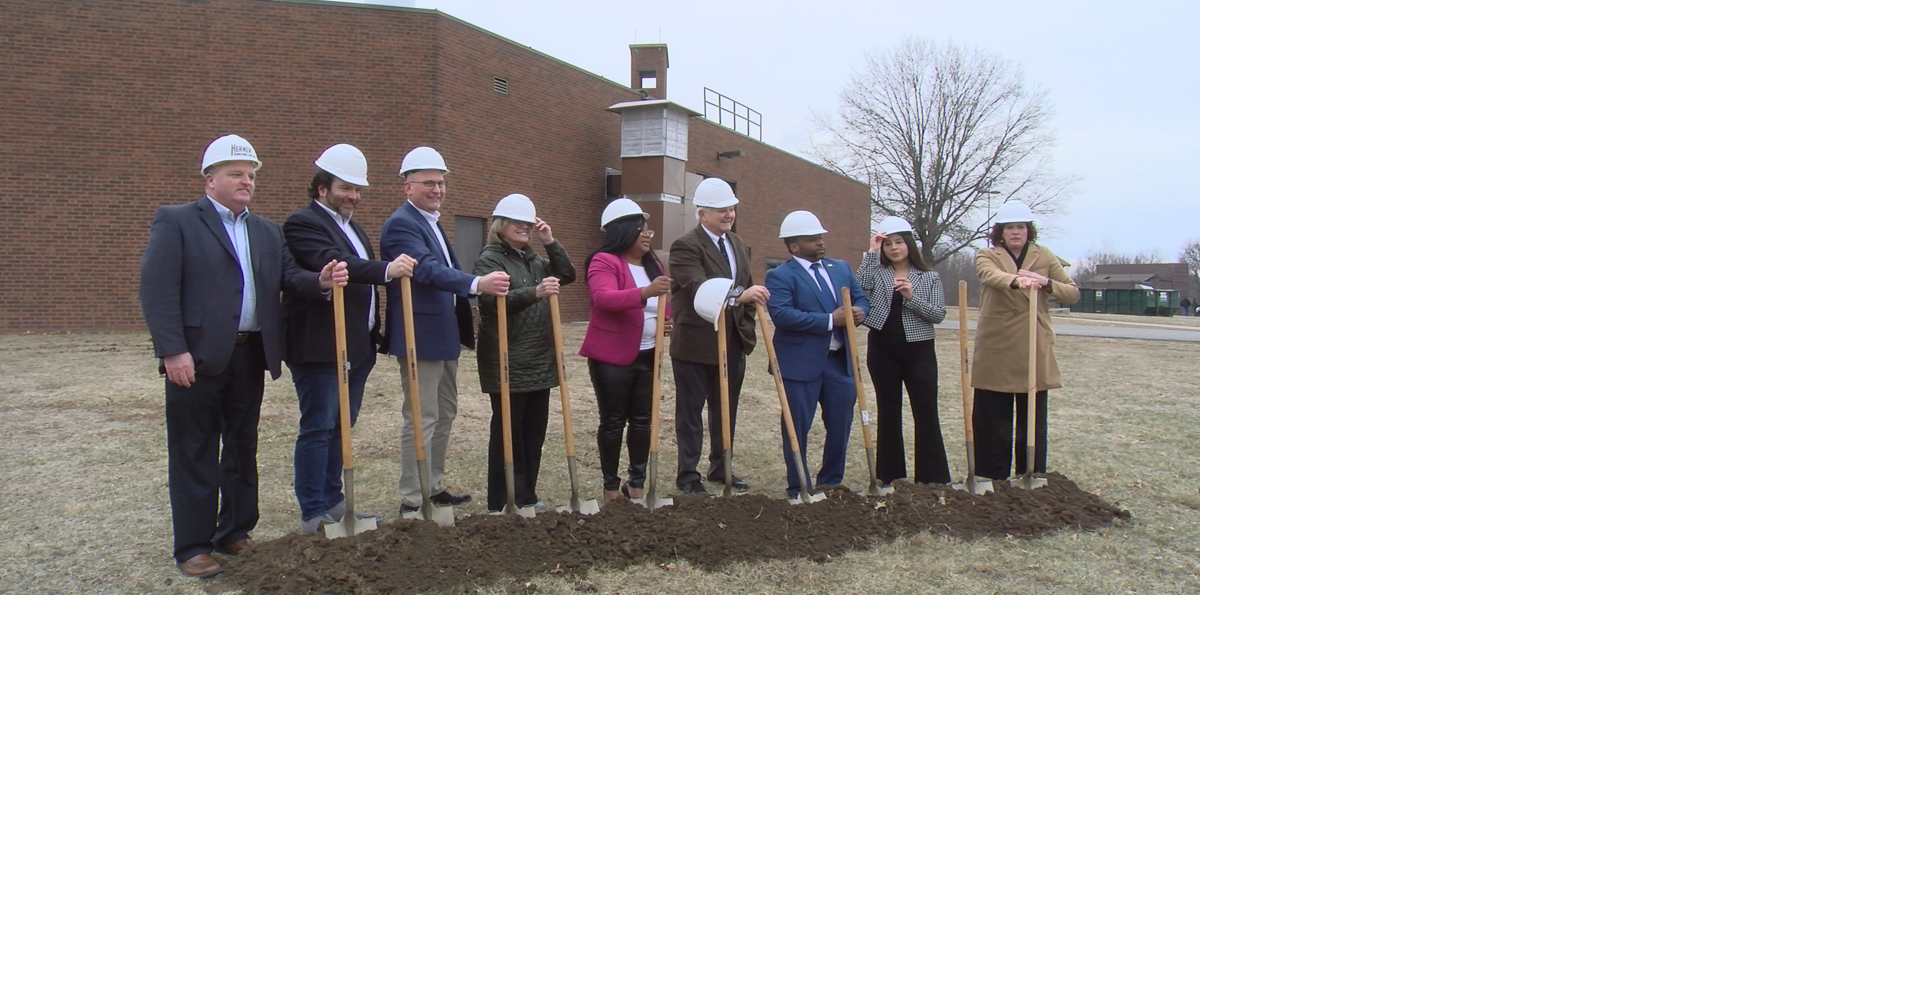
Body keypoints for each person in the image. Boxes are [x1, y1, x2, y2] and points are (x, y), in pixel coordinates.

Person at [139, 134, 346, 578]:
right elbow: (157, 290)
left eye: (250, 175)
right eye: (235, 173)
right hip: (196, 359)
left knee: (241, 444)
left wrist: (320, 281)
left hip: (250, 355)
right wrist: (173, 351)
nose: (246, 181)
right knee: (195, 450)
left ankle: (234, 530)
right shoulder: (177, 221)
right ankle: (194, 545)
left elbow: (289, 276)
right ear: (209, 179)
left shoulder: (266, 231)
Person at [282, 143, 417, 535]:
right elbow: (336, 263)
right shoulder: (302, 223)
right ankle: (313, 510)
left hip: (357, 346)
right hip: (320, 347)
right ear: (322, 188)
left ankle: (333, 497)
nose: (353, 196)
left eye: (357, 190)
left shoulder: (352, 227)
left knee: (343, 424)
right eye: (345, 188)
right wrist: (387, 269)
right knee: (319, 426)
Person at [379, 146, 511, 517]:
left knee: (444, 411)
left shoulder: (431, 223)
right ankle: (412, 497)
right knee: (422, 415)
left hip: (444, 333)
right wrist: (477, 283)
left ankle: (432, 486)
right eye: (428, 183)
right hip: (420, 334)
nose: (437, 189)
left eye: (440, 182)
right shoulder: (402, 224)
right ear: (408, 187)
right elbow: (425, 270)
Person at [472, 193, 576, 514]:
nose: (525, 228)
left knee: (533, 432)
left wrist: (550, 242)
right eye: (517, 223)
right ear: (501, 225)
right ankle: (501, 500)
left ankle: (527, 495)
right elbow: (491, 303)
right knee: (509, 432)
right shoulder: (490, 259)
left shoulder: (533, 259)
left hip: (539, 358)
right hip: (508, 356)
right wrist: (535, 292)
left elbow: (566, 274)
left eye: (528, 224)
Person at [667, 177, 768, 496]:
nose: (729, 214)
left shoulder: (737, 244)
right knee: (691, 412)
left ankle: (721, 466)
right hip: (695, 344)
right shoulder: (685, 245)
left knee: (726, 408)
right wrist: (739, 296)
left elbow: (748, 285)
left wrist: (745, 324)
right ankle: (688, 475)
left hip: (733, 341)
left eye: (731, 209)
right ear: (702, 214)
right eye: (721, 209)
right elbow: (697, 286)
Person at [971, 201, 1080, 480]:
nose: (1016, 232)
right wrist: (1016, 281)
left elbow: (1071, 293)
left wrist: (1045, 283)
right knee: (992, 415)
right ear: (1000, 232)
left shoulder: (1045, 255)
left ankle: (1030, 473)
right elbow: (989, 275)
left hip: (1033, 343)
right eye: (1010, 227)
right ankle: (991, 476)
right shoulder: (987, 255)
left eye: (1021, 226)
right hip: (997, 345)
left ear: (1028, 230)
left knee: (1032, 417)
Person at [767, 210, 868, 500]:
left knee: (840, 425)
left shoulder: (841, 268)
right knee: (796, 427)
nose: (820, 242)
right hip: (799, 365)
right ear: (793, 246)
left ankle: (831, 483)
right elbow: (782, 314)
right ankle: (798, 486)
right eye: (812, 239)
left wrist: (860, 312)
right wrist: (829, 320)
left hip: (839, 364)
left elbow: (861, 298)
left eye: (820, 237)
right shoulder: (780, 276)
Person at [580, 198, 672, 502]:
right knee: (613, 421)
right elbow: (604, 297)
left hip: (649, 354)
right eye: (640, 229)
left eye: (648, 230)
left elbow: (662, 303)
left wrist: (666, 321)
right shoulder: (604, 261)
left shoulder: (653, 265)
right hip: (612, 358)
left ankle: (636, 484)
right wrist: (645, 292)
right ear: (622, 231)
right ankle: (610, 488)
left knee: (643, 420)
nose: (647, 235)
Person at [857, 215, 950, 485]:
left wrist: (911, 297)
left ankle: (932, 477)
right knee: (888, 410)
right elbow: (859, 286)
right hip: (882, 349)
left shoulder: (929, 277)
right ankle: (890, 475)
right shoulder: (878, 272)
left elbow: (937, 314)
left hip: (919, 352)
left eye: (898, 242)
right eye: (888, 244)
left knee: (925, 410)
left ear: (909, 244)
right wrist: (871, 252)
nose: (894, 248)